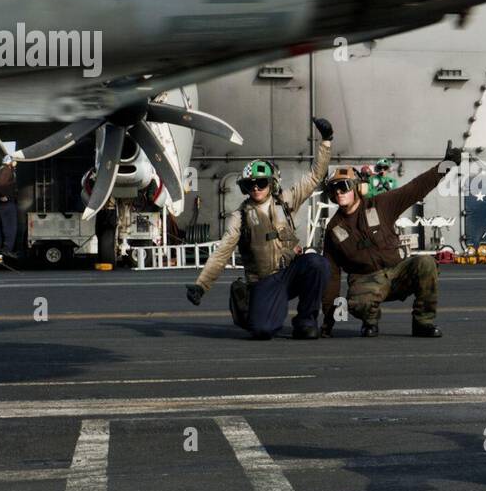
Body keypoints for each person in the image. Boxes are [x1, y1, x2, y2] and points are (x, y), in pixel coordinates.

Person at [185, 118, 334, 339]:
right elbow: (222, 252)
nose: (256, 187)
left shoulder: (287, 200)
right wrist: (202, 285)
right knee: (261, 330)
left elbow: (314, 176)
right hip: (265, 280)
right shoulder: (240, 217)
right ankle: (252, 310)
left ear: (271, 183)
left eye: (261, 183)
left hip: (291, 272)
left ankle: (306, 320)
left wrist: (326, 141)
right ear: (245, 187)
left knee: (317, 263)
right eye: (250, 184)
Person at [322, 140, 462, 337]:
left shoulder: (381, 205)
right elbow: (332, 276)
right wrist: (328, 322)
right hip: (366, 280)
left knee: (426, 263)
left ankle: (423, 322)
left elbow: (415, 188)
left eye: (344, 186)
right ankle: (370, 321)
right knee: (356, 303)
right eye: (334, 189)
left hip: (398, 273)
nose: (338, 192)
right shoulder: (333, 229)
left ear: (357, 188)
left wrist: (446, 165)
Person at [0, 154, 19, 256]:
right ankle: (7, 249)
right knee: (11, 227)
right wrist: (4, 195)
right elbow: (1, 184)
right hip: (7, 203)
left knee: (1, 228)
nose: (15, 164)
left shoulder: (1, 169)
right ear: (10, 162)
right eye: (14, 162)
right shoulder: (6, 170)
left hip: (1, 204)